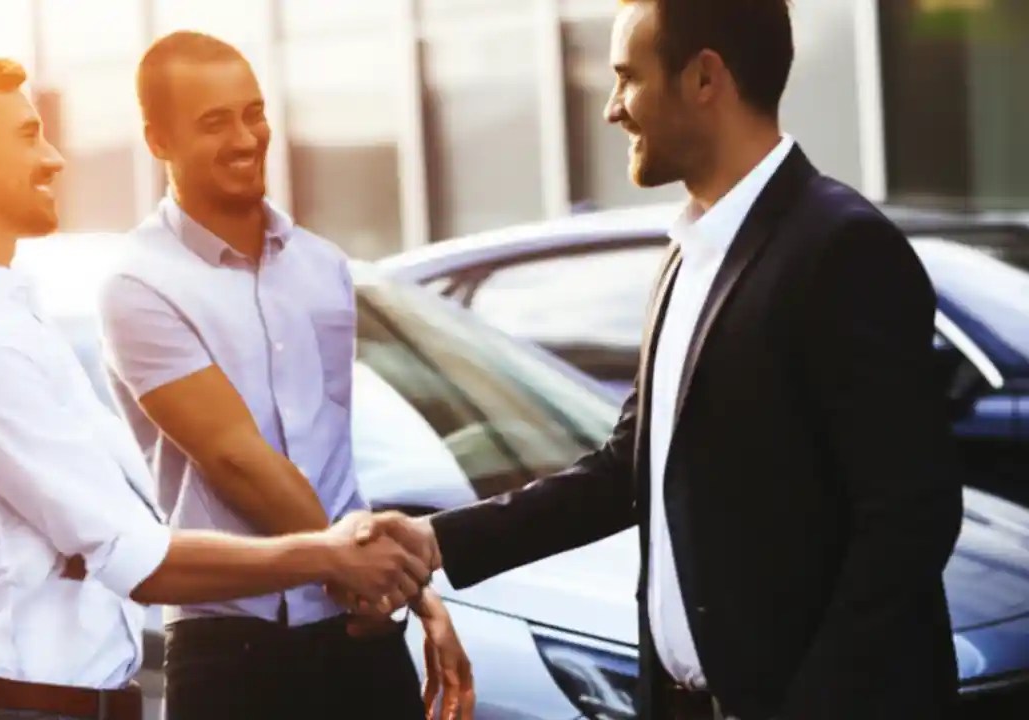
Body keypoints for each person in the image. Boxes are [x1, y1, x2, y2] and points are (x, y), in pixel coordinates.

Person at [358, 1, 964, 718]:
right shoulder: (687, 255)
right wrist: (434, 539)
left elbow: (909, 519)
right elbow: (626, 472)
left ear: (704, 78)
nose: (614, 108)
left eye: (626, 78)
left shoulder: (842, 248)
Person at [0, 58, 431, 720]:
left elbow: (139, 516)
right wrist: (330, 556)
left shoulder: (3, 314)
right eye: (27, 135)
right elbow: (137, 558)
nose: (53, 158)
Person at [97, 31, 474, 720]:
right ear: (158, 141)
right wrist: (400, 590)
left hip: (356, 632)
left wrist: (401, 596)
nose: (246, 137)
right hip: (235, 648)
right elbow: (239, 461)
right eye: (214, 123)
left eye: (254, 112)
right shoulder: (138, 283)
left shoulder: (324, 267)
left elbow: (335, 463)